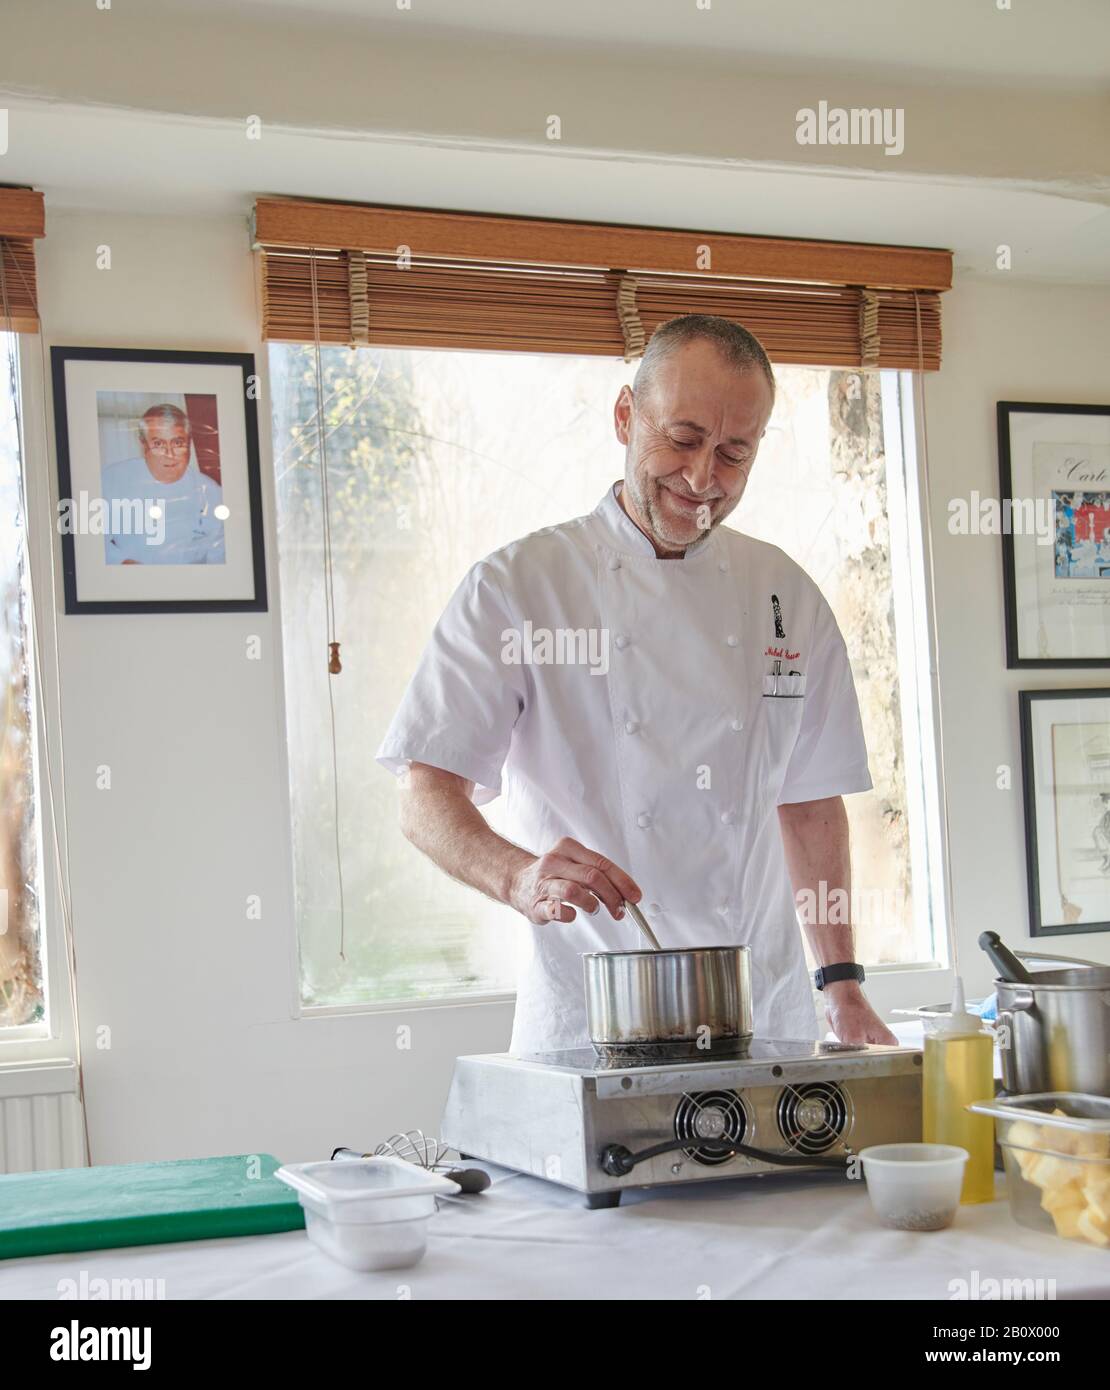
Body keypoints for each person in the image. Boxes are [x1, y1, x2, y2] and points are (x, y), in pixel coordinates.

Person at [377, 314, 897, 1053]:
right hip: (592, 1018)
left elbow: (811, 804)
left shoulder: (786, 595)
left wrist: (841, 985)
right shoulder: (519, 588)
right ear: (626, 415)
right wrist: (518, 877)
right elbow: (424, 793)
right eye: (682, 440)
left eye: (733, 454)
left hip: (765, 1013)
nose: (701, 480)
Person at [102, 403, 225, 564]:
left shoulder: (211, 492)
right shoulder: (112, 479)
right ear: (143, 444)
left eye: (177, 443)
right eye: (159, 444)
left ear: (189, 442)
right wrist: (121, 562)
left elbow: (219, 556)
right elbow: (91, 540)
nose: (170, 454)